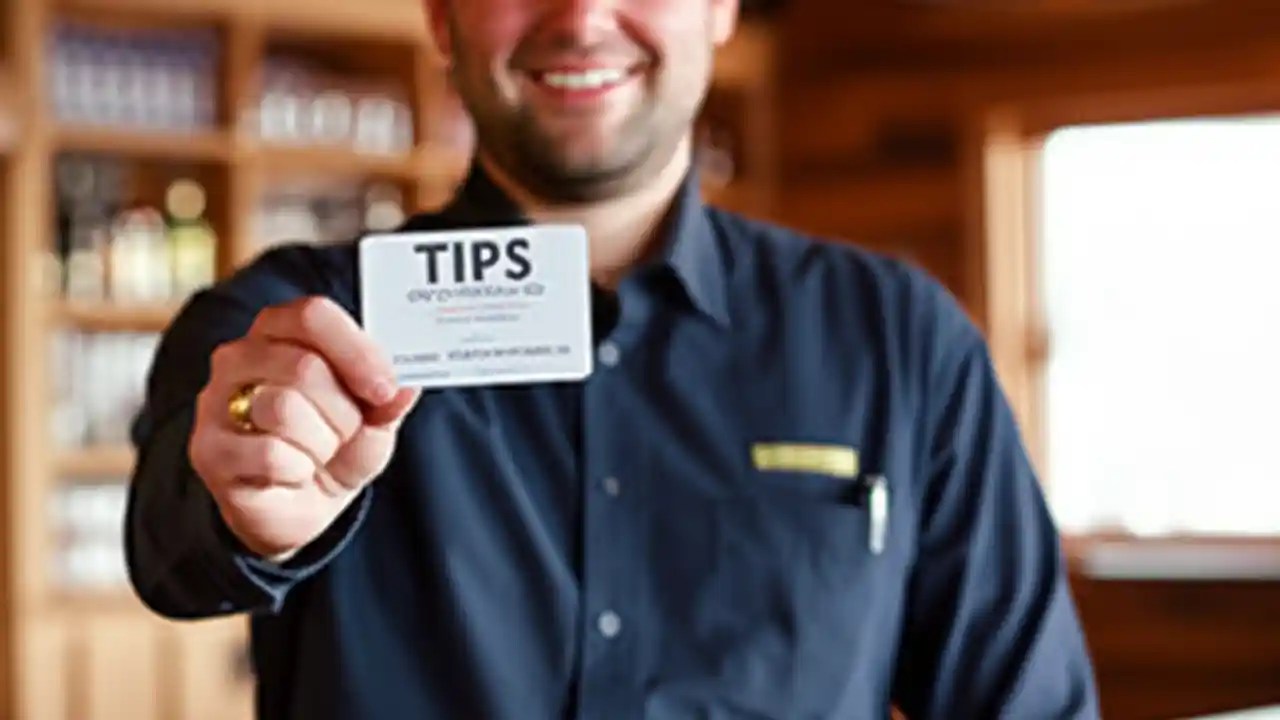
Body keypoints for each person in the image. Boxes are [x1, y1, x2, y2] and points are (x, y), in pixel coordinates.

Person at [125, 0, 1100, 717]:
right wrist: (249, 497)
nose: (582, 17)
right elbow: (170, 553)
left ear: (721, 9)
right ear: (439, 18)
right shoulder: (292, 323)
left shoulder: (902, 341)